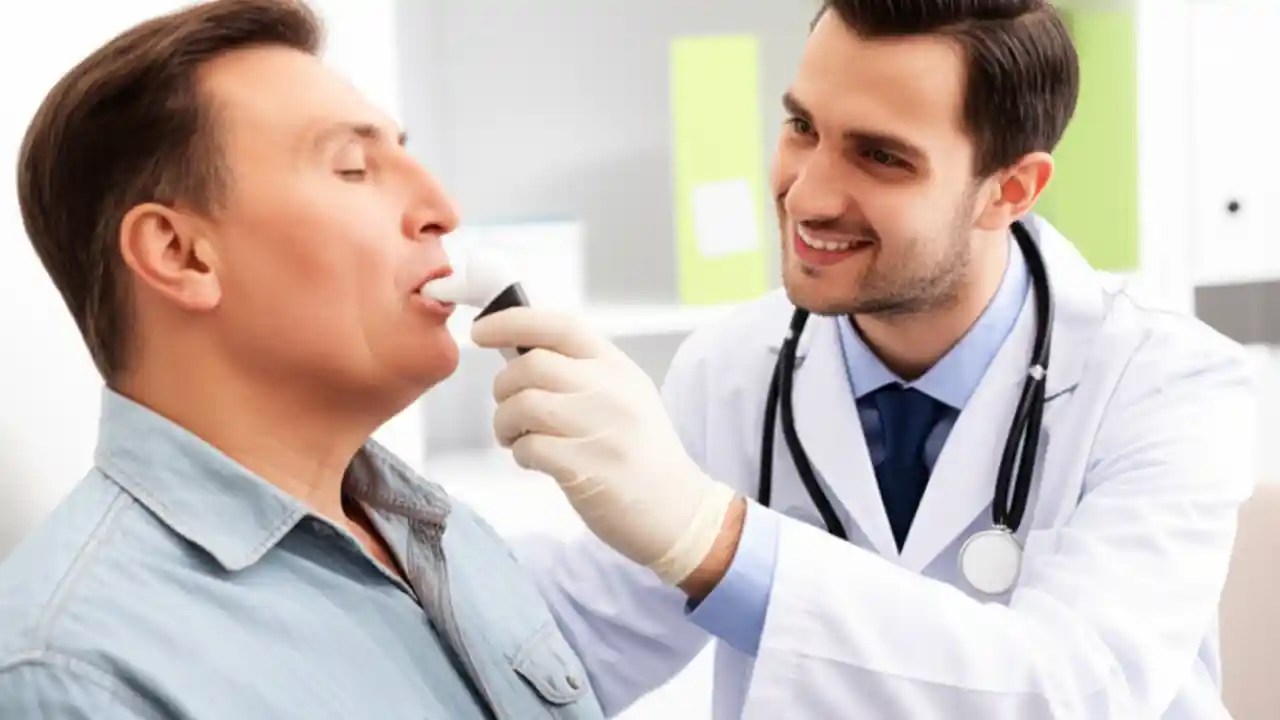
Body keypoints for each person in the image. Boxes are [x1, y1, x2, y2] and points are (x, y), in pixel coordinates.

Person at [469, 2, 1259, 718]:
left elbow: (1072, 693)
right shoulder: (733, 369)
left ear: (1010, 190)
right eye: (802, 127)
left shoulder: (1169, 384)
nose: (807, 195)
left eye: (880, 157)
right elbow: (578, 644)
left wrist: (715, 541)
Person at [0, 1, 603, 718]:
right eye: (353, 168)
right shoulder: (76, 674)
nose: (441, 207)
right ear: (180, 254)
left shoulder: (445, 535)